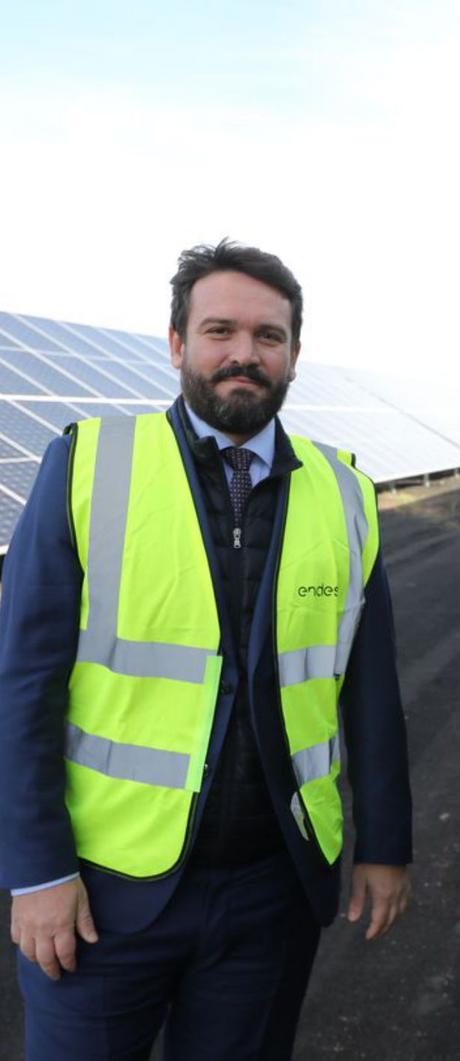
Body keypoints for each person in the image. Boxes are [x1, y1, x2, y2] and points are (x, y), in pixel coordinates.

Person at [0, 239, 413, 1060]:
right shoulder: (88, 463)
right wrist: (37, 872)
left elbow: (368, 690)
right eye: (220, 330)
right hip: (104, 895)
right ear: (178, 342)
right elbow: (22, 685)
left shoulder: (346, 491)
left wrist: (386, 844)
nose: (244, 354)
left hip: (271, 888)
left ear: (295, 355)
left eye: (269, 336)